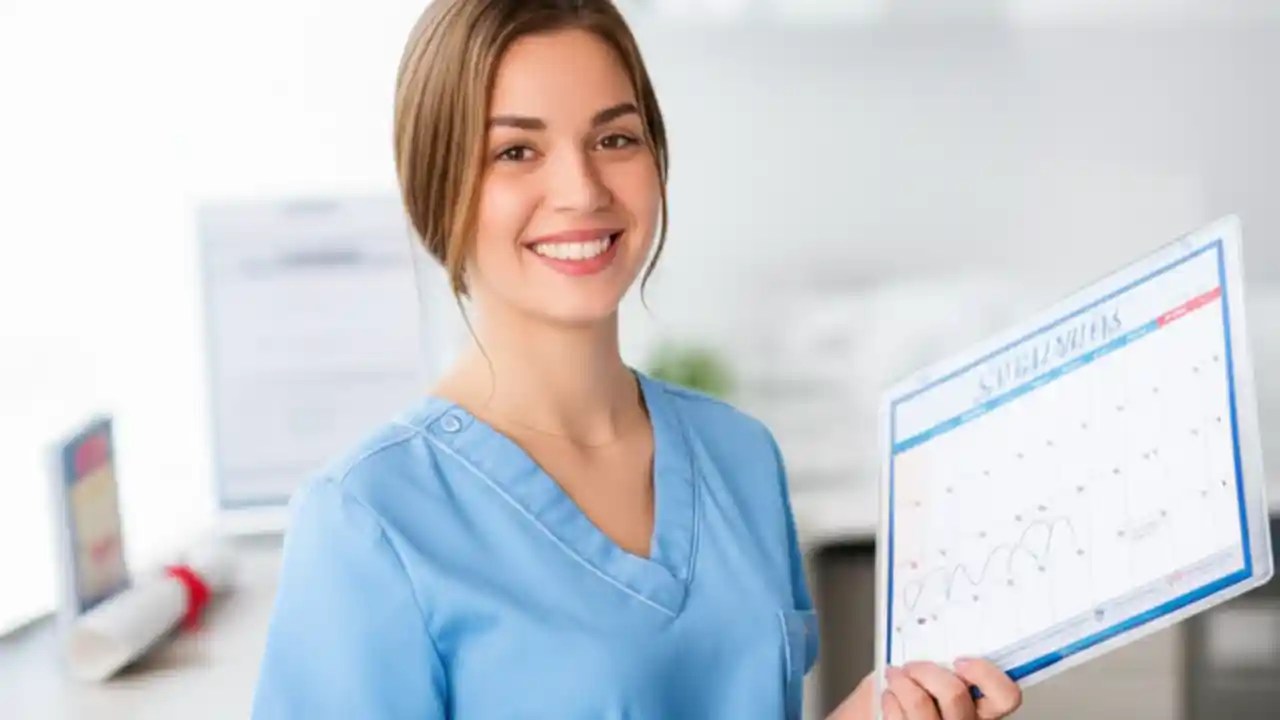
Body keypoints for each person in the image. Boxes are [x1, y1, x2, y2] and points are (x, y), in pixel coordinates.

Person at [251, 1, 1024, 719]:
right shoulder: (369, 521)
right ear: (436, 185)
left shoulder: (739, 456)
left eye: (614, 139)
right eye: (516, 151)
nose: (581, 189)